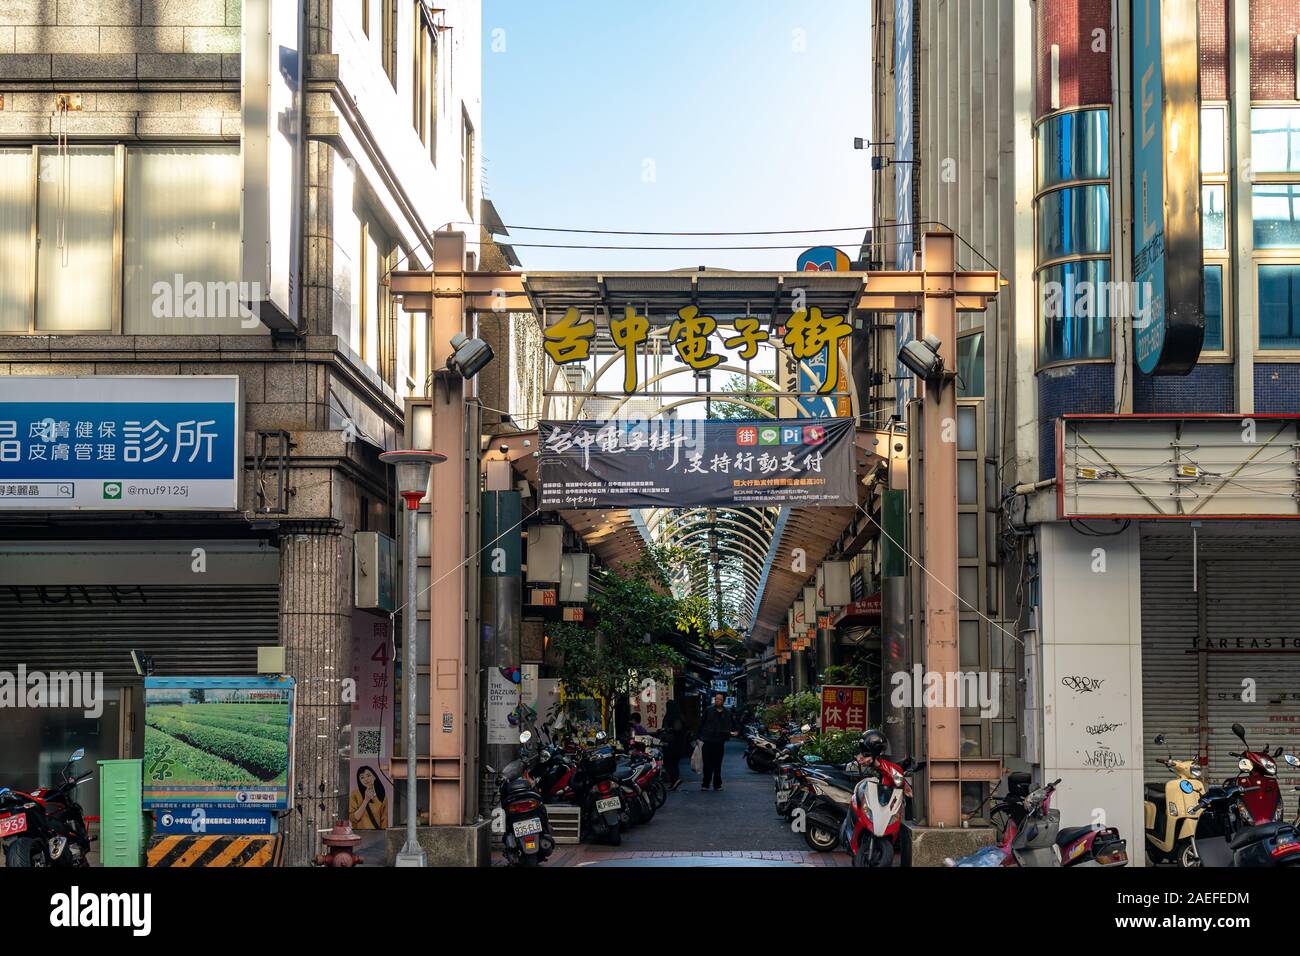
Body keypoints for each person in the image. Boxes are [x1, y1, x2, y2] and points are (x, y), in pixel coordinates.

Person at [697, 692, 735, 791]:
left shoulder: (727, 712)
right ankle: (705, 784)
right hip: (708, 740)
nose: (717, 701)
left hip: (720, 741)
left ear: (723, 701)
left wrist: (733, 732)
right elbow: (701, 723)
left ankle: (717, 784)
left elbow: (732, 724)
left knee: (717, 764)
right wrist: (698, 736)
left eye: (720, 699)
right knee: (707, 764)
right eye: (716, 699)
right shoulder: (708, 710)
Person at [348, 764, 388, 830]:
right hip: (359, 833)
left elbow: (384, 821)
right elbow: (353, 818)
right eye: (362, 777)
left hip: (377, 834)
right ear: (360, 781)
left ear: (374, 776)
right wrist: (366, 800)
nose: (366, 779)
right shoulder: (355, 794)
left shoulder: (383, 797)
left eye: (368, 775)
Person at [659, 701, 687, 790]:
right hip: (679, 744)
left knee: (668, 763)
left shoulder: (670, 716)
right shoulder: (680, 716)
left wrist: (665, 730)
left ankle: (675, 780)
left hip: (670, 744)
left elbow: (675, 729)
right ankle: (675, 781)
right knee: (675, 763)